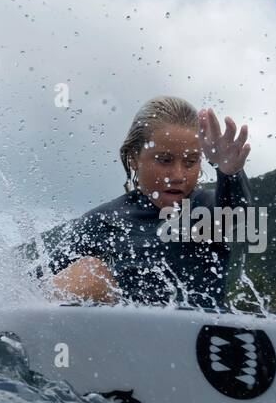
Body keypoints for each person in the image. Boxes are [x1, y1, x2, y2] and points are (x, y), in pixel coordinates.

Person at [25, 96, 252, 308]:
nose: (178, 175)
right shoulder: (103, 222)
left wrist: (229, 173)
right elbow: (31, 287)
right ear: (134, 159)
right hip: (119, 343)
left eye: (191, 162)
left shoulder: (207, 211)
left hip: (199, 343)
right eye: (164, 160)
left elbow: (238, 221)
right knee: (89, 273)